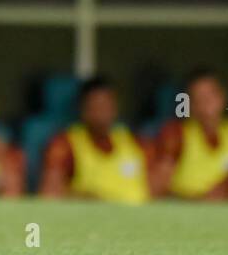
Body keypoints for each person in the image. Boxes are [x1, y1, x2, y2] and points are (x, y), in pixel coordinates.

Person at [40, 76, 149, 204]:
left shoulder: (135, 142)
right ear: (82, 109)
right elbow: (50, 194)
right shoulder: (65, 144)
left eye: (106, 106)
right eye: (96, 107)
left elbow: (158, 189)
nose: (102, 113)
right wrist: (89, 200)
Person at [150, 70, 228, 200]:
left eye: (211, 95)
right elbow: (155, 189)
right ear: (191, 104)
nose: (206, 103)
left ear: (223, 97)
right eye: (199, 98)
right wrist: (201, 200)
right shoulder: (176, 134)